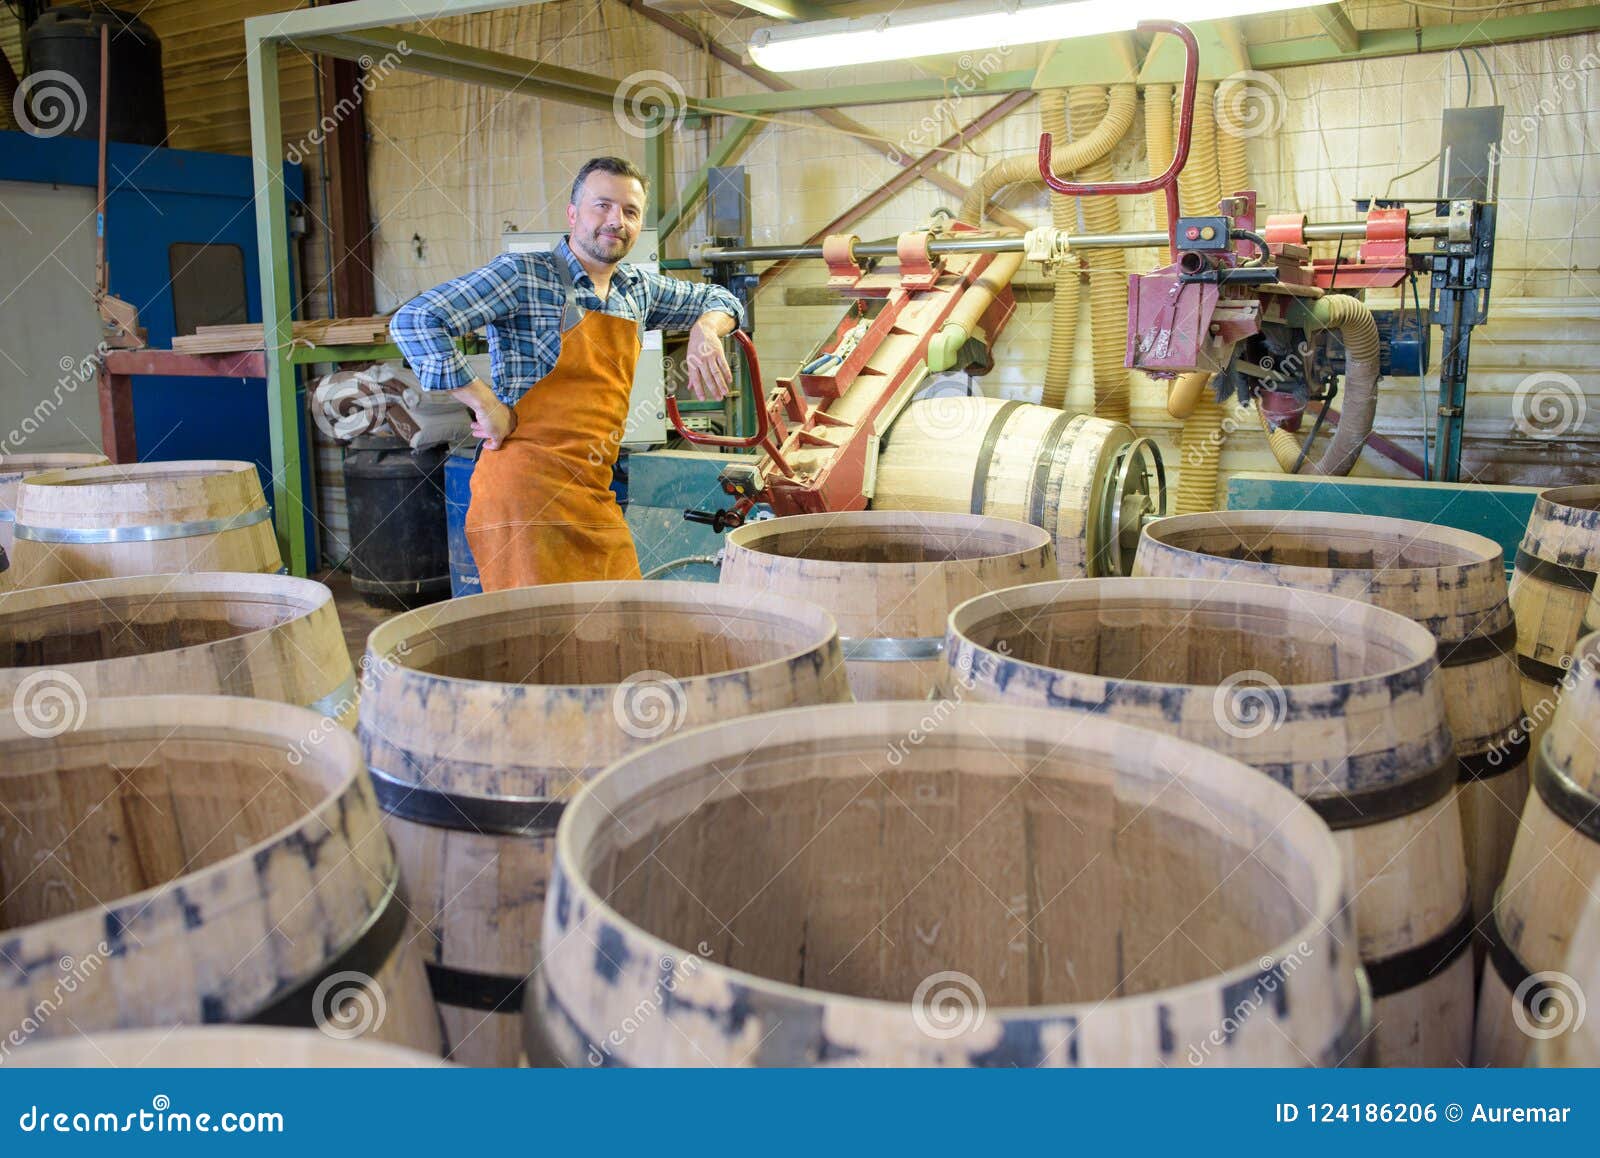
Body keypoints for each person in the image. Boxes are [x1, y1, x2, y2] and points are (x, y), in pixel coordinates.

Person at [389, 156, 744, 589]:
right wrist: (485, 405)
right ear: (572, 214)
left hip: (594, 493)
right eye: (603, 205)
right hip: (523, 498)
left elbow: (725, 300)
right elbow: (416, 321)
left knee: (621, 618)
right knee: (539, 638)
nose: (617, 221)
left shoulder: (638, 289)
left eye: (630, 212)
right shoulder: (522, 275)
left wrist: (706, 329)